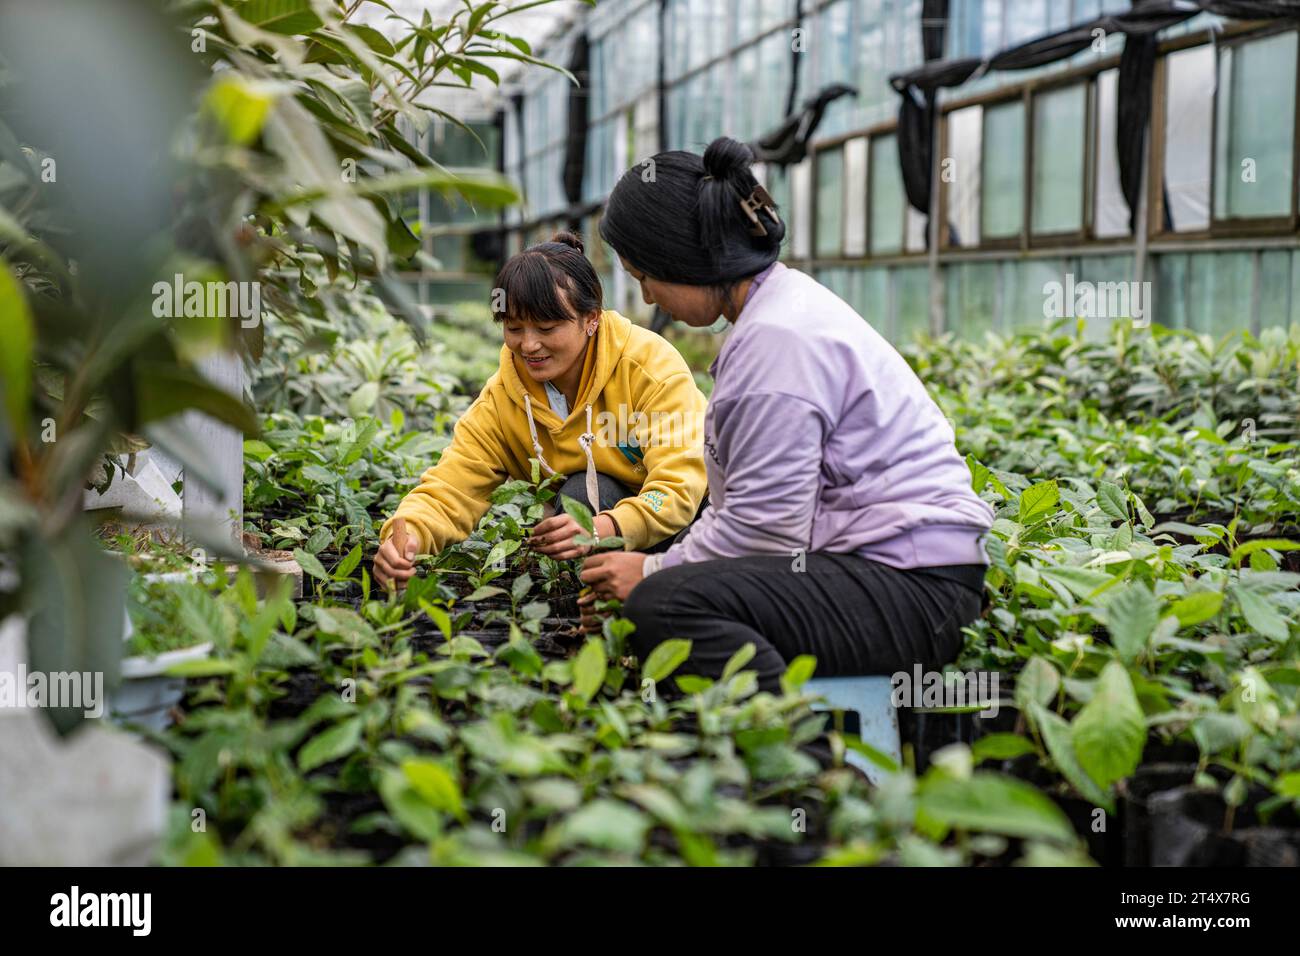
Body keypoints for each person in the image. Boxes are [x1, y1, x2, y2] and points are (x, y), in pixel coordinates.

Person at [579, 138, 995, 695]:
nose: (648, 294)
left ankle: (802, 757)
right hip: (895, 572)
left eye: (643, 276)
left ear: (677, 258)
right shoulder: (781, 306)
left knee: (667, 607)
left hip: (915, 590)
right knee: (672, 554)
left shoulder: (776, 342)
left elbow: (769, 531)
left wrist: (650, 575)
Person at [374, 231, 708, 588]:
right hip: (605, 532)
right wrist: (407, 535)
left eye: (547, 328)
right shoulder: (505, 397)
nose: (529, 345)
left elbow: (677, 488)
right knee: (582, 495)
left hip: (697, 527)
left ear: (591, 319)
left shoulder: (649, 368)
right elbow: (452, 486)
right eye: (514, 328)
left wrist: (604, 527)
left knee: (588, 505)